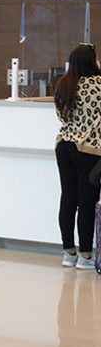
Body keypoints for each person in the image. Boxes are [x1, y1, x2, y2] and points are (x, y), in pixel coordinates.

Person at [54, 43, 101, 269]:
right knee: (87, 202)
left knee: (68, 198)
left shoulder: (63, 85)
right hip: (90, 150)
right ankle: (85, 255)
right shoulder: (99, 84)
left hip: (64, 146)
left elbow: (61, 117)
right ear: (92, 61)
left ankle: (68, 253)